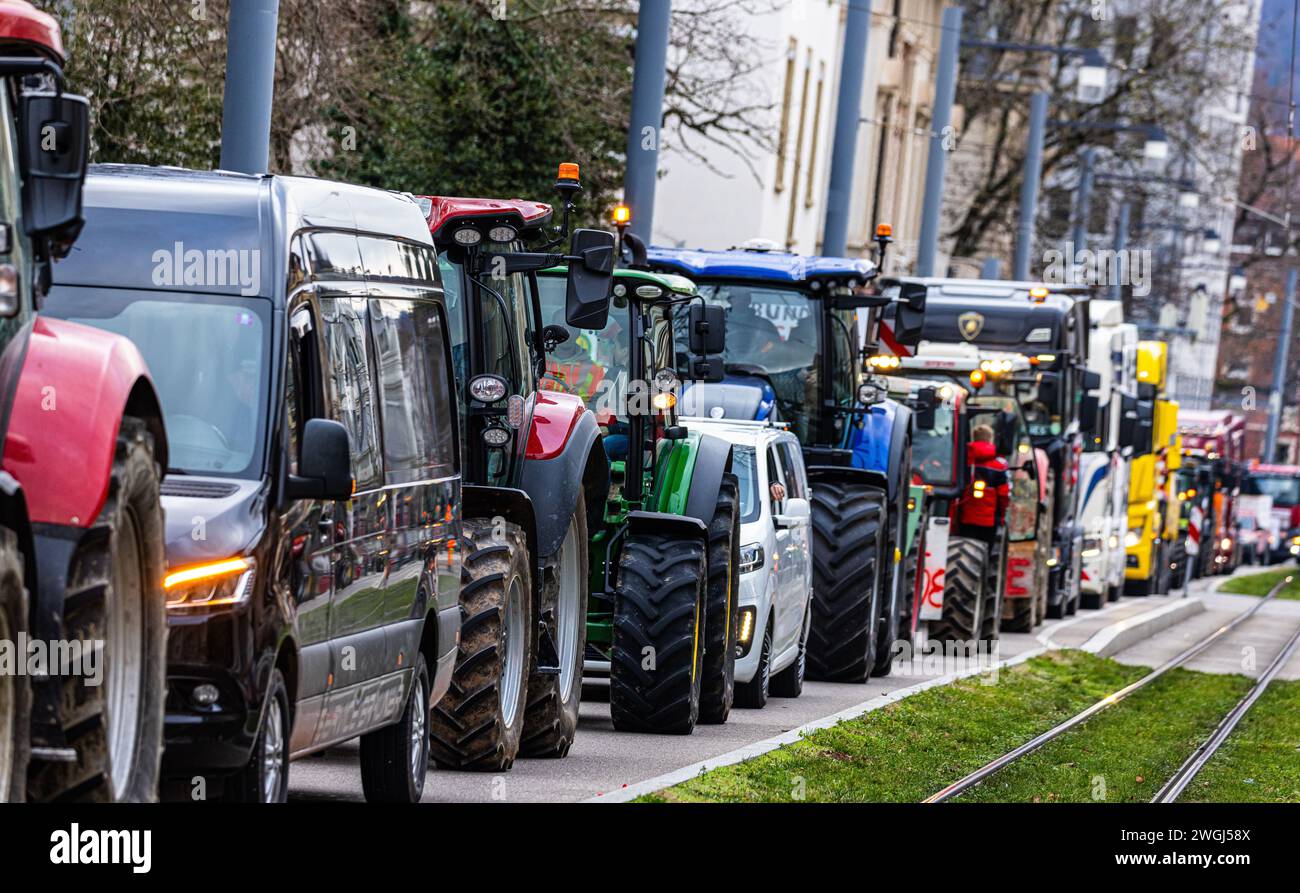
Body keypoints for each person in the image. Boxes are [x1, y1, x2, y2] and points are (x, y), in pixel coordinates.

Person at [958, 424, 1009, 545]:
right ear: (990, 439)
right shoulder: (999, 466)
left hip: (964, 517)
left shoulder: (961, 459)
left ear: (974, 437)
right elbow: (1003, 495)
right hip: (989, 521)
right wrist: (1002, 515)